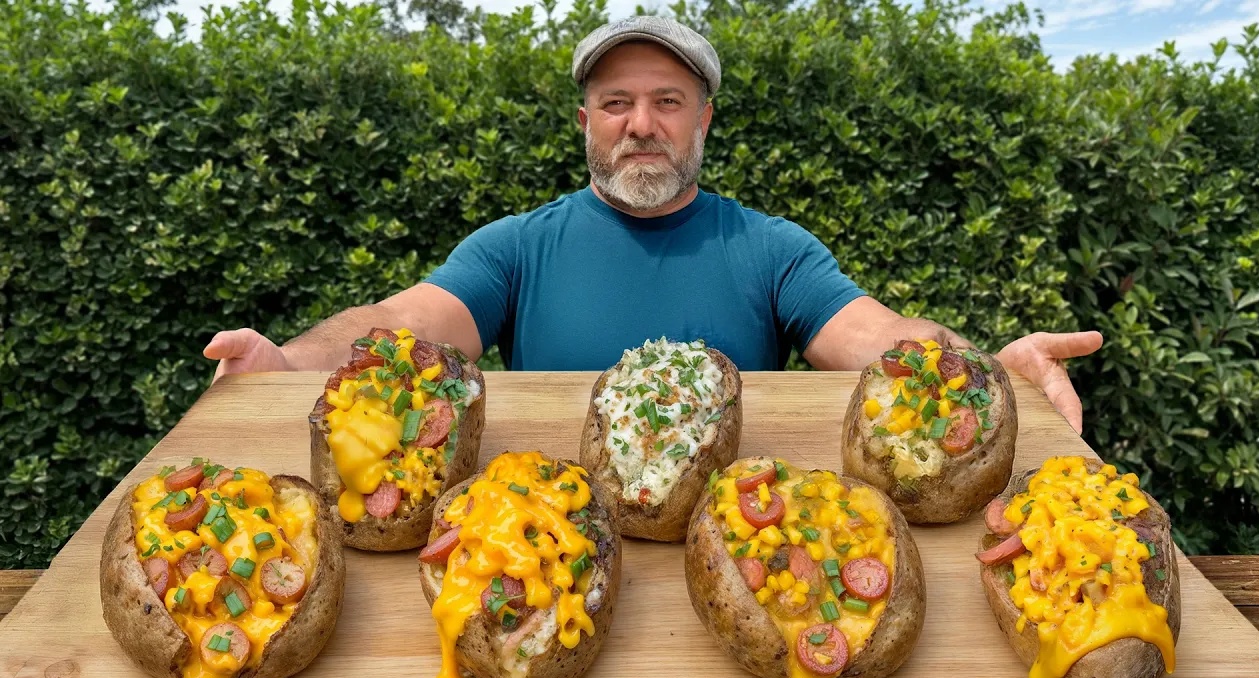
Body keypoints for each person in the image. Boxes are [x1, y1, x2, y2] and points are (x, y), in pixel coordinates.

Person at [204, 16, 1103, 432]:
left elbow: (877, 338)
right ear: (587, 121)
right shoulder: (519, 246)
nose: (642, 124)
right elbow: (402, 328)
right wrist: (287, 364)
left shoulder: (772, 249)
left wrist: (992, 371)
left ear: (703, 120)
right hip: (549, 550)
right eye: (616, 102)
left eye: (668, 100)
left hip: (738, 564)